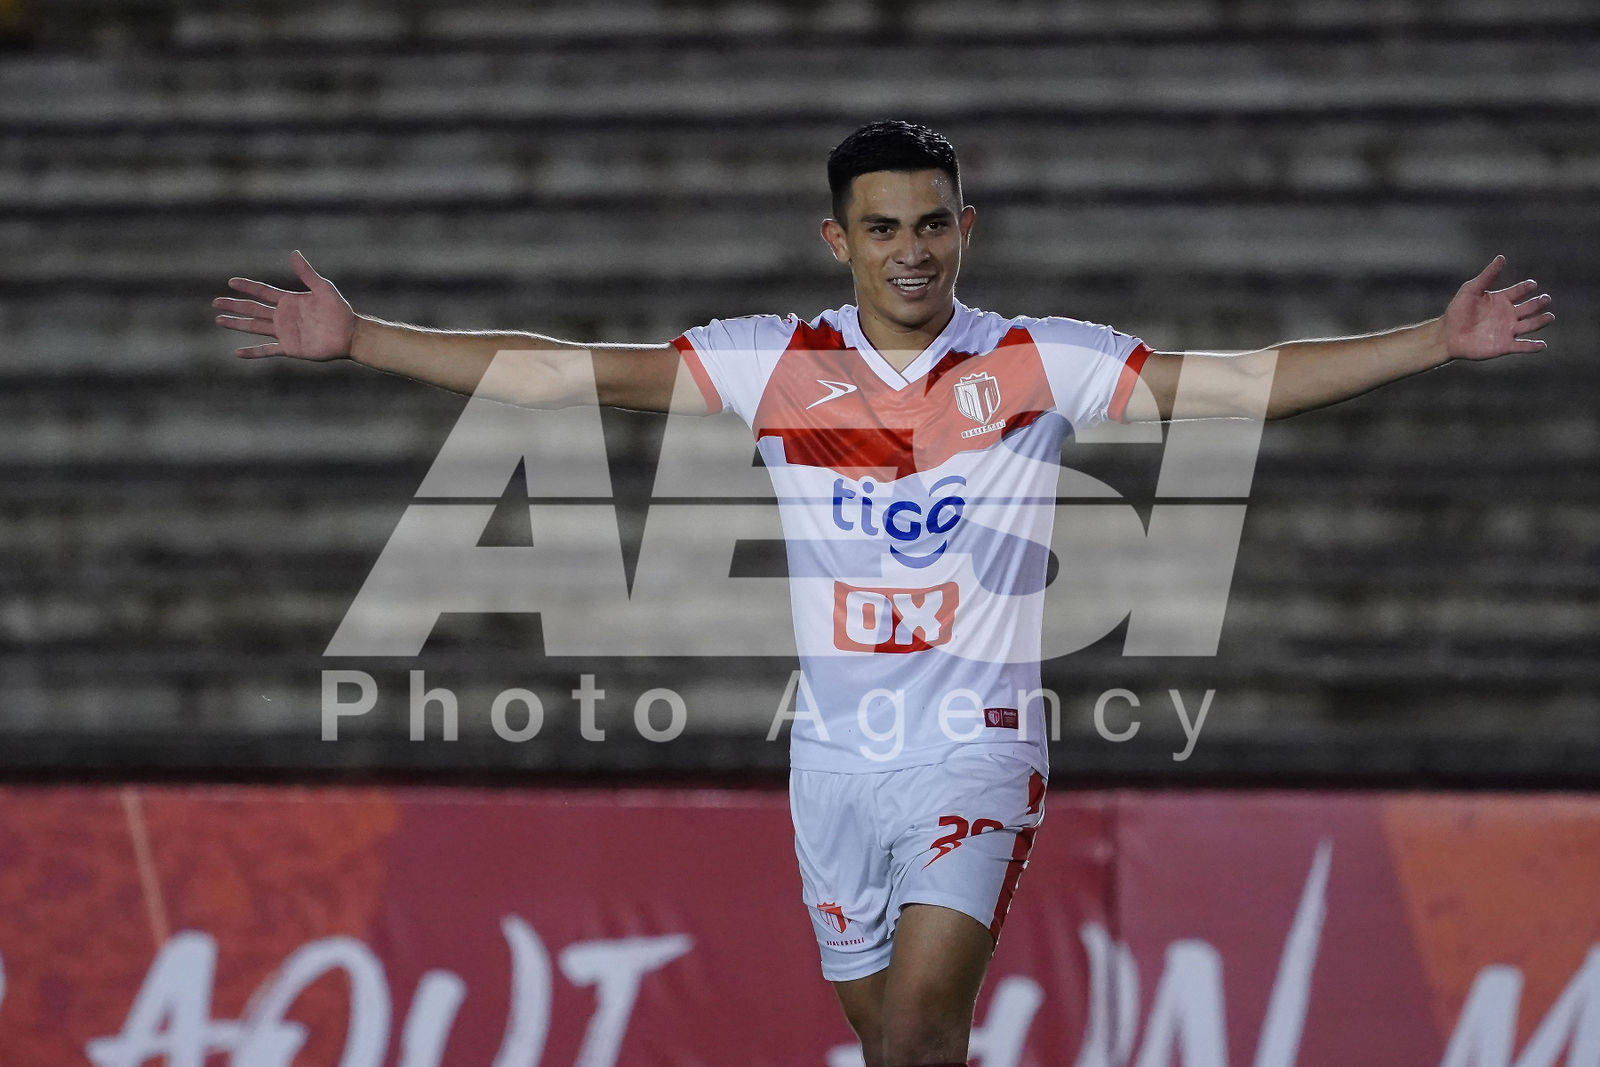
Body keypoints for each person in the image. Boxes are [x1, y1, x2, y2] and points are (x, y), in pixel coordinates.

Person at [215, 120, 1554, 1067]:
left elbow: (1235, 383)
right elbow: (562, 374)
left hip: (975, 750)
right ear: (837, 237)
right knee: (892, 1043)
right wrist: (365, 341)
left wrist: (1433, 343)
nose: (911, 252)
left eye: (931, 226)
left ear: (965, 229)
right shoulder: (774, 363)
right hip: (834, 766)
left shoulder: (1035, 361)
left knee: (915, 1031)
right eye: (882, 229)